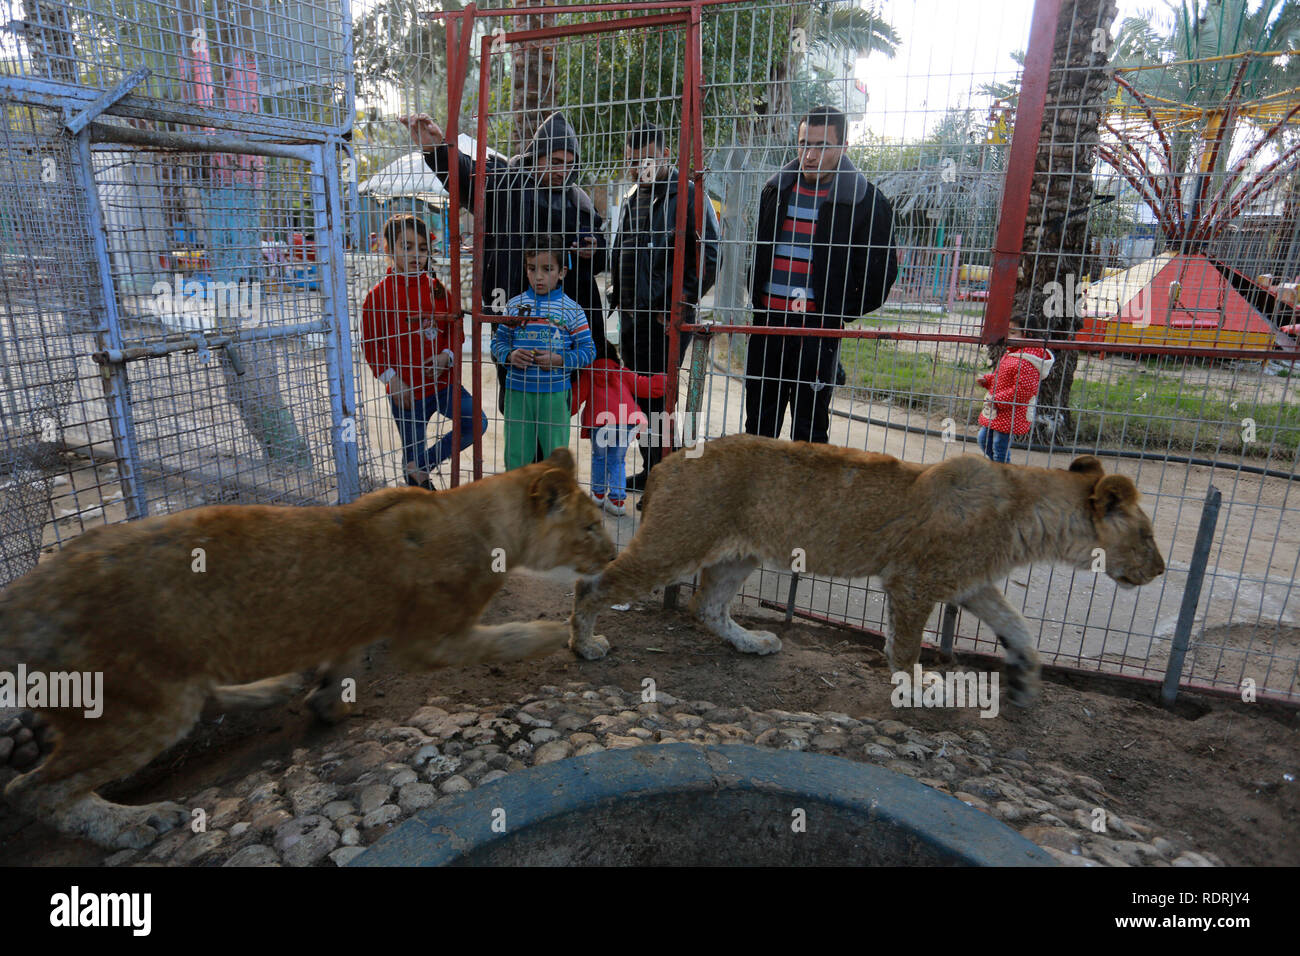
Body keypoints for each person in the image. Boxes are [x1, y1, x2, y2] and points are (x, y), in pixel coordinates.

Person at [400, 111, 609, 422]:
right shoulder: (505, 182)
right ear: (536, 155)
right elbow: (466, 174)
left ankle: (547, 464)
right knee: (515, 395)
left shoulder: (578, 202)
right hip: (512, 312)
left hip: (559, 322)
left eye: (568, 163)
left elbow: (601, 258)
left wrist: (594, 251)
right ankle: (526, 463)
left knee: (556, 404)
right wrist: (436, 149)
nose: (561, 170)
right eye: (554, 160)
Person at [745, 105, 898, 444]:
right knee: (757, 426)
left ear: (844, 147)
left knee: (809, 432)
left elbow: (879, 277)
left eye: (822, 146)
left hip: (817, 331)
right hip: (767, 324)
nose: (809, 155)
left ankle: (806, 497)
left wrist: (834, 312)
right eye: (803, 143)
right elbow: (759, 254)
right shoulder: (776, 190)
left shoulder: (865, 201)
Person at [612, 121, 720, 490]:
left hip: (664, 322)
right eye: (631, 160)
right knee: (640, 398)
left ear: (664, 154)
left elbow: (708, 258)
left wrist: (678, 305)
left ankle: (668, 481)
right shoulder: (631, 196)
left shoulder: (689, 196)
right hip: (631, 318)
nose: (636, 167)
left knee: (664, 401)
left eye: (644, 159)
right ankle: (651, 472)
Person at [360, 214, 487, 488]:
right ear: (389, 249)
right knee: (415, 474)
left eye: (421, 248)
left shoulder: (438, 289)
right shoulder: (377, 296)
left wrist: (446, 356)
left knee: (476, 422)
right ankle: (420, 490)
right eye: (406, 247)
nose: (416, 255)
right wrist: (392, 380)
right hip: (406, 393)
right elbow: (371, 345)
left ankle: (421, 465)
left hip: (443, 385)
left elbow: (456, 330)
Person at [491, 236, 595, 470]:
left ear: (562, 272)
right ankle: (519, 503)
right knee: (516, 458)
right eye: (532, 268)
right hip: (518, 393)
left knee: (556, 459)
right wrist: (510, 355)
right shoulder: (514, 306)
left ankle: (555, 504)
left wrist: (561, 361)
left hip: (555, 396)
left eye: (547, 269)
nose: (538, 276)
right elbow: (497, 344)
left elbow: (589, 350)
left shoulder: (572, 310)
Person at [572, 336, 666, 517]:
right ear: (613, 355)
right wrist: (665, 378)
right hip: (627, 422)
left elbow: (575, 399)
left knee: (599, 459)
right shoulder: (622, 372)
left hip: (600, 423)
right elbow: (645, 386)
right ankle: (616, 501)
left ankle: (598, 495)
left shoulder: (588, 373)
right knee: (617, 460)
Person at [976, 322, 1054, 463]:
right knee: (984, 440)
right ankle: (1002, 470)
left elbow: (1022, 391)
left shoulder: (1027, 361)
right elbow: (1002, 378)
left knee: (999, 447)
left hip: (1011, 412)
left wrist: (996, 400)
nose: (1008, 337)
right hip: (998, 409)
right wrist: (987, 380)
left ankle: (1004, 473)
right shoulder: (1012, 354)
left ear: (1027, 335)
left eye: (1012, 333)